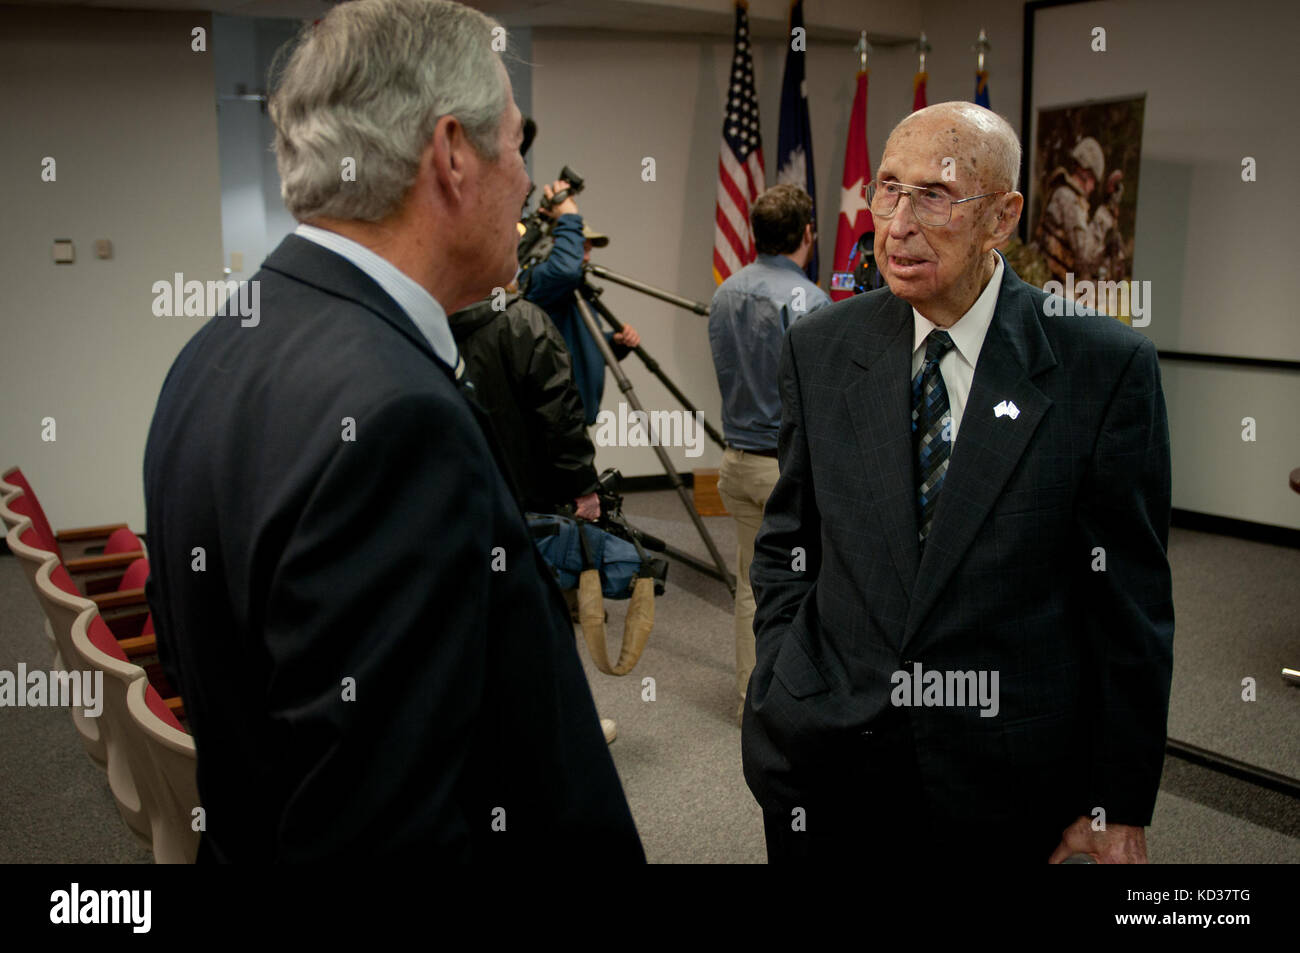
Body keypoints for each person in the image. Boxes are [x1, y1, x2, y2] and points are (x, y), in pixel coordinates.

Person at [142, 0, 643, 862]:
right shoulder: (396, 420)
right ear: (452, 153)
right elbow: (386, 827)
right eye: (516, 143)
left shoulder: (213, 349)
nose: (527, 183)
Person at [742, 102, 1173, 864]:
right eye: (887, 190)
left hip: (1006, 793)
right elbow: (788, 546)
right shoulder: (821, 347)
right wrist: (782, 683)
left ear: (1001, 217)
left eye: (935, 196)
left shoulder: (1102, 370)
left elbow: (1129, 607)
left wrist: (1115, 797)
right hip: (826, 769)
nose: (898, 224)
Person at [708, 184, 829, 725]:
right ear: (807, 233)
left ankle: (750, 701)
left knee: (749, 587)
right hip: (789, 470)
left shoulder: (724, 293)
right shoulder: (813, 303)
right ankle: (799, 698)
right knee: (812, 583)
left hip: (735, 463)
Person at [448, 289, 601, 519]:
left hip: (464, 497)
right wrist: (582, 487)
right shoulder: (523, 319)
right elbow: (559, 413)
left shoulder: (428, 323)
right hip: (533, 498)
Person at [521, 183, 640, 424]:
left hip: (574, 420)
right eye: (580, 247)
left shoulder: (574, 292)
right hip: (551, 423)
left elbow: (573, 343)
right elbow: (565, 271)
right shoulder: (543, 282)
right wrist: (569, 216)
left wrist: (613, 344)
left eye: (587, 249)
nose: (585, 256)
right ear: (556, 245)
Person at [1036, 136, 1124, 287]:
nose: (1093, 188)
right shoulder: (1068, 198)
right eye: (1093, 181)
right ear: (1085, 172)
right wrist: (1105, 214)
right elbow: (1084, 256)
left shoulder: (1066, 195)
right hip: (1049, 286)